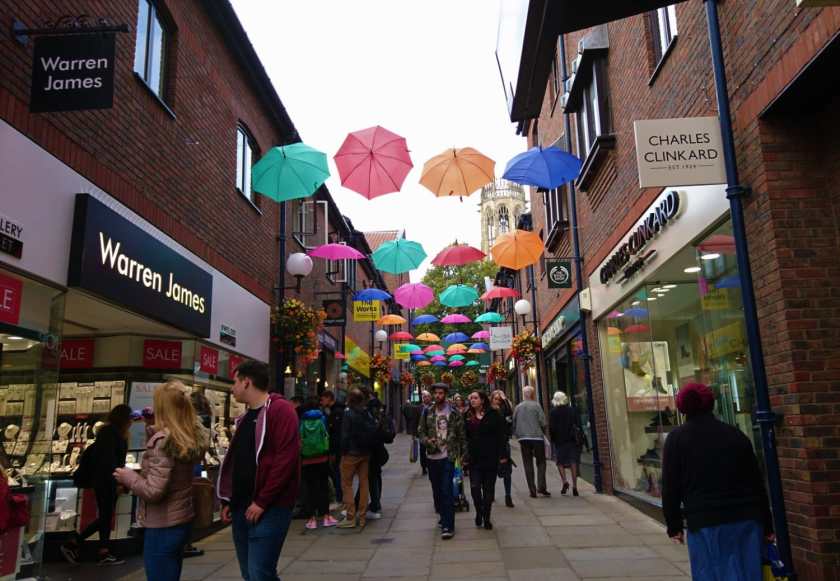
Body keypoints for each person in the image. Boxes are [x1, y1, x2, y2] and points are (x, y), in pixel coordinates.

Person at [662, 383, 773, 581]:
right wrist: (767, 525)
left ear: (682, 407)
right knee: (748, 574)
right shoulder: (736, 435)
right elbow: (757, 483)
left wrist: (674, 525)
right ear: (711, 404)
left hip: (705, 521)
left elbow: (671, 486)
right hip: (746, 519)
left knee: (710, 573)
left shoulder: (676, 439)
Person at [114, 382, 208, 581]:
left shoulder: (163, 442)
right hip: (180, 519)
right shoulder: (186, 436)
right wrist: (153, 428)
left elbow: (154, 491)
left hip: (162, 524)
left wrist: (129, 477)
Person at [217, 360, 301, 581]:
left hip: (270, 508)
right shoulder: (245, 418)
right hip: (241, 507)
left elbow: (286, 460)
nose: (232, 387)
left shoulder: (281, 410)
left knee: (259, 573)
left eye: (235, 381)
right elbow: (239, 462)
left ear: (247, 382)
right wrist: (229, 500)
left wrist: (262, 501)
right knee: (250, 574)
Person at [61, 404, 132, 566]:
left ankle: (97, 549)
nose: (132, 422)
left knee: (105, 517)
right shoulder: (110, 433)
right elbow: (108, 461)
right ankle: (83, 546)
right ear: (124, 419)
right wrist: (116, 482)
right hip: (106, 481)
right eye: (130, 418)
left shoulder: (112, 433)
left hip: (106, 480)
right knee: (106, 516)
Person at [417, 383, 465, 540]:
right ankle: (443, 515)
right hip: (432, 457)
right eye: (436, 393)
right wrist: (427, 440)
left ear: (445, 394)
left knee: (446, 491)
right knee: (437, 491)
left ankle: (448, 525)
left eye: (441, 393)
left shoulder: (454, 412)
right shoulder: (427, 412)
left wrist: (463, 456)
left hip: (448, 457)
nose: (438, 395)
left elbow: (461, 435)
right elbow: (421, 432)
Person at [463, 390, 507, 530]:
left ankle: (486, 517)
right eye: (471, 398)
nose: (472, 400)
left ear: (482, 400)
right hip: (474, 459)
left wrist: (503, 456)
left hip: (490, 458)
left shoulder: (494, 415)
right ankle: (479, 512)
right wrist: (463, 455)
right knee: (475, 488)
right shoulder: (467, 416)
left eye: (475, 398)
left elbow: (502, 436)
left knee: (489, 490)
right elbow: (463, 437)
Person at [337, 388, 375, 529]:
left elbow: (345, 435)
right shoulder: (366, 412)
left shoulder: (348, 413)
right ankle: (363, 515)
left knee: (346, 484)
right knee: (364, 483)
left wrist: (343, 451)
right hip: (365, 453)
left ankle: (351, 516)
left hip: (351, 453)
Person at [300, 399, 337, 530]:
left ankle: (312, 519)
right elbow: (327, 435)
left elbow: (300, 438)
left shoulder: (303, 420)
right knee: (323, 487)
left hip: (307, 459)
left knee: (309, 489)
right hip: (322, 458)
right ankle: (326, 516)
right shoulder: (322, 418)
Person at [513, 386, 550, 498]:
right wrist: (543, 432)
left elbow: (514, 422)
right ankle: (541, 487)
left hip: (523, 438)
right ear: (533, 394)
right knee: (541, 462)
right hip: (537, 437)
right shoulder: (537, 406)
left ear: (524, 395)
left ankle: (532, 490)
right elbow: (543, 422)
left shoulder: (518, 407)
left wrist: (518, 434)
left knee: (527, 463)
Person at [363, 396, 394, 520]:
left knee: (371, 478)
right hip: (378, 451)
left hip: (372, 452)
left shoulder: (371, 418)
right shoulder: (381, 416)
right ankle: (375, 503)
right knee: (375, 477)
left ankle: (375, 504)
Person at [549, 391, 581, 496]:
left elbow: (552, 428)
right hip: (571, 439)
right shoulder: (572, 410)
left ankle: (564, 481)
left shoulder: (553, 412)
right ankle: (575, 486)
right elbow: (577, 424)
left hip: (559, 440)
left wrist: (553, 439)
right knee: (573, 462)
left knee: (560, 462)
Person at [490, 390, 515, 508]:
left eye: (499, 400)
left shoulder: (504, 412)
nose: (497, 401)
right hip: (491, 446)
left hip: (503, 444)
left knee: (507, 472)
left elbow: (510, 413)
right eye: (495, 399)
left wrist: (505, 399)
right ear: (491, 400)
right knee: (491, 472)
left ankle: (508, 495)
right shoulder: (488, 412)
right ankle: (491, 494)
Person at [320, 390, 345, 504]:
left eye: (323, 399)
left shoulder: (336, 412)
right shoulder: (333, 411)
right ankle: (339, 495)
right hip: (337, 447)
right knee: (336, 472)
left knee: (336, 472)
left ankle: (339, 496)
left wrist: (333, 451)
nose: (321, 401)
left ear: (329, 398)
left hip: (337, 448)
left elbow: (336, 433)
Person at [418, 390, 432, 476]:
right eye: (424, 397)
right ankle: (423, 467)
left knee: (431, 450)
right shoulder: (419, 408)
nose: (426, 398)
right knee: (422, 451)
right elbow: (415, 420)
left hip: (431, 433)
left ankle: (430, 465)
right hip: (422, 433)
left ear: (430, 398)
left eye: (427, 397)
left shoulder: (433, 407)